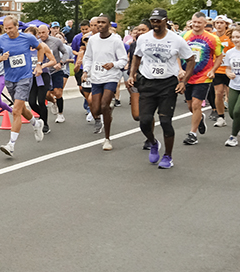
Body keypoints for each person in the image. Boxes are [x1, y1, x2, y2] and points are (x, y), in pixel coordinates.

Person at [127, 9, 193, 169]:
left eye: (158, 20)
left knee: (165, 121)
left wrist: (184, 82)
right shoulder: (144, 38)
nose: (155, 23)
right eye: (153, 20)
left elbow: (190, 59)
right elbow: (137, 56)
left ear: (165, 21)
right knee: (144, 121)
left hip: (167, 85)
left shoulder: (176, 39)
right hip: (148, 83)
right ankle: (153, 142)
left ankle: (168, 156)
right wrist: (132, 74)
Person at [0, 14, 49, 157]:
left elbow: (40, 48)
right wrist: (1, 58)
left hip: (25, 77)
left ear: (17, 27)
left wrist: (39, 65)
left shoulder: (27, 38)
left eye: (10, 28)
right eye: (6, 29)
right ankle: (36, 123)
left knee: (16, 110)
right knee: (21, 108)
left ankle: (11, 144)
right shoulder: (1, 40)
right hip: (10, 78)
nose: (8, 31)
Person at [82, 15, 128, 150]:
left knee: (104, 105)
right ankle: (108, 109)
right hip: (96, 77)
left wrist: (112, 64)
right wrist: (86, 71)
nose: (100, 25)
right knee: (96, 109)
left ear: (109, 25)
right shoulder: (93, 40)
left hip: (111, 77)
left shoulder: (116, 41)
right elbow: (88, 57)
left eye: (103, 23)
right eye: (98, 23)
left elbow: (123, 60)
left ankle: (107, 138)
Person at [181, 13, 223, 146]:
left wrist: (212, 70)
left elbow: (219, 56)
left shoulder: (213, 38)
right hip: (187, 76)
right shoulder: (183, 36)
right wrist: (179, 69)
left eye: (199, 22)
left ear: (205, 24)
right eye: (194, 22)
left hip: (203, 76)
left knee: (196, 104)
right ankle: (200, 118)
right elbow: (176, 53)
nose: (196, 24)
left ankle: (192, 134)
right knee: (190, 105)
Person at [210, 16, 234, 127]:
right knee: (218, 93)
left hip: (229, 69)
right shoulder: (212, 36)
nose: (219, 25)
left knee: (231, 95)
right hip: (217, 69)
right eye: (217, 23)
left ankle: (235, 116)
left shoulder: (230, 37)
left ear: (226, 24)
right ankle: (220, 117)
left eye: (221, 23)